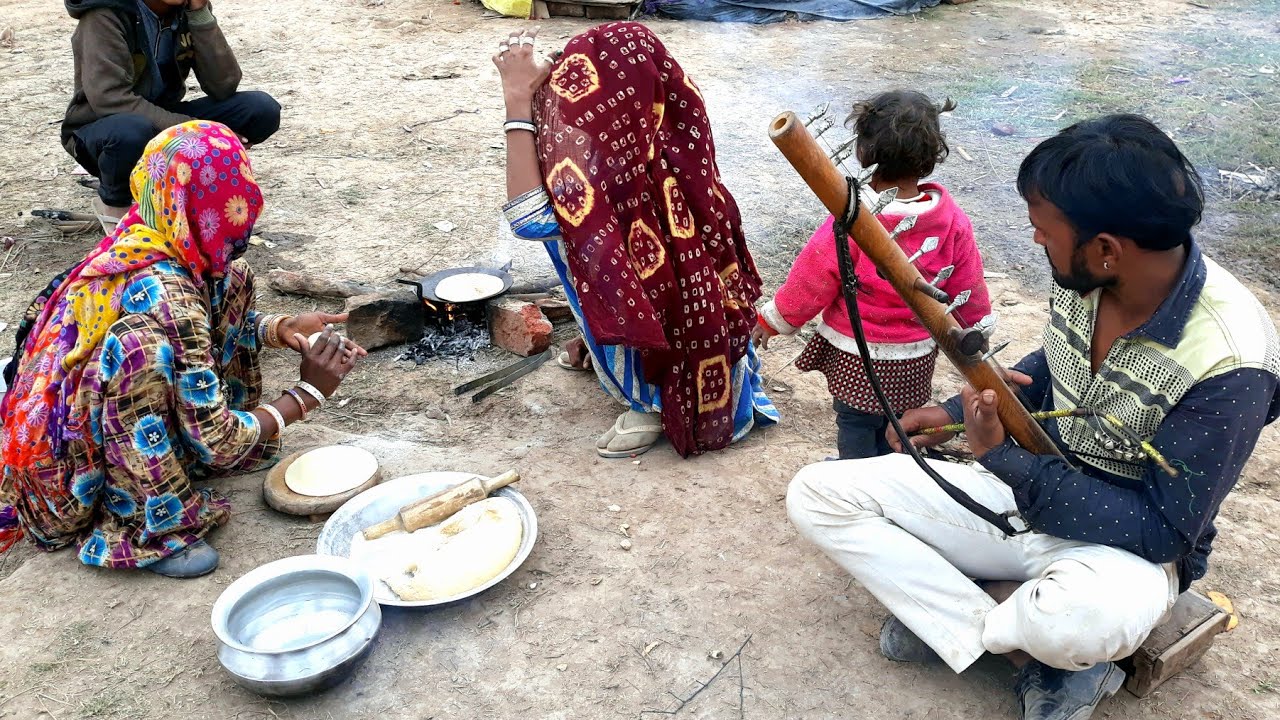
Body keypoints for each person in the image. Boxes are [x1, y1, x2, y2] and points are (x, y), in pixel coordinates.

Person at [786, 114, 1280, 719]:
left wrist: (1001, 456)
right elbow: (1054, 363)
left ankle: (981, 623)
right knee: (818, 494)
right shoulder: (1086, 279)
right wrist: (950, 412)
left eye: (1044, 230)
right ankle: (1002, 634)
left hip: (1121, 551)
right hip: (1022, 493)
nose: (1036, 241)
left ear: (1106, 251)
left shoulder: (1232, 360)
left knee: (1084, 619)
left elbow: (1163, 528)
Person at [0, 122, 363, 578]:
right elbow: (219, 443)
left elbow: (193, 341)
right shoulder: (165, 291)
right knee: (140, 353)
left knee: (232, 280)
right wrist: (310, 392)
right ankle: (146, 524)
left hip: (102, 417)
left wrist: (278, 328)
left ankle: (173, 459)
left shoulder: (154, 231)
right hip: (65, 483)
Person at [495, 23, 778, 459]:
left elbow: (529, 220)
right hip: (712, 342)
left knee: (622, 288)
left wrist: (516, 101)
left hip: (656, 348)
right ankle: (617, 356)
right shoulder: (683, 158)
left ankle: (652, 404)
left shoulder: (593, 190)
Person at [752, 91, 993, 460]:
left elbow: (814, 276)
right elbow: (968, 283)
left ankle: (856, 478)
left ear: (863, 150)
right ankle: (892, 469)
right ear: (933, 154)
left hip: (857, 354)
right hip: (916, 356)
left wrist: (775, 320)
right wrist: (977, 329)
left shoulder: (853, 217)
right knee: (900, 422)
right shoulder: (951, 219)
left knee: (856, 423)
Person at [62, 0, 281, 233]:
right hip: (103, 130)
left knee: (260, 110)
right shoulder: (105, 14)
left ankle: (179, 194)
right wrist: (198, 132)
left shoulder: (185, 11)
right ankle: (116, 207)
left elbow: (224, 85)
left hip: (162, 118)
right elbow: (111, 99)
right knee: (132, 131)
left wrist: (200, 16)